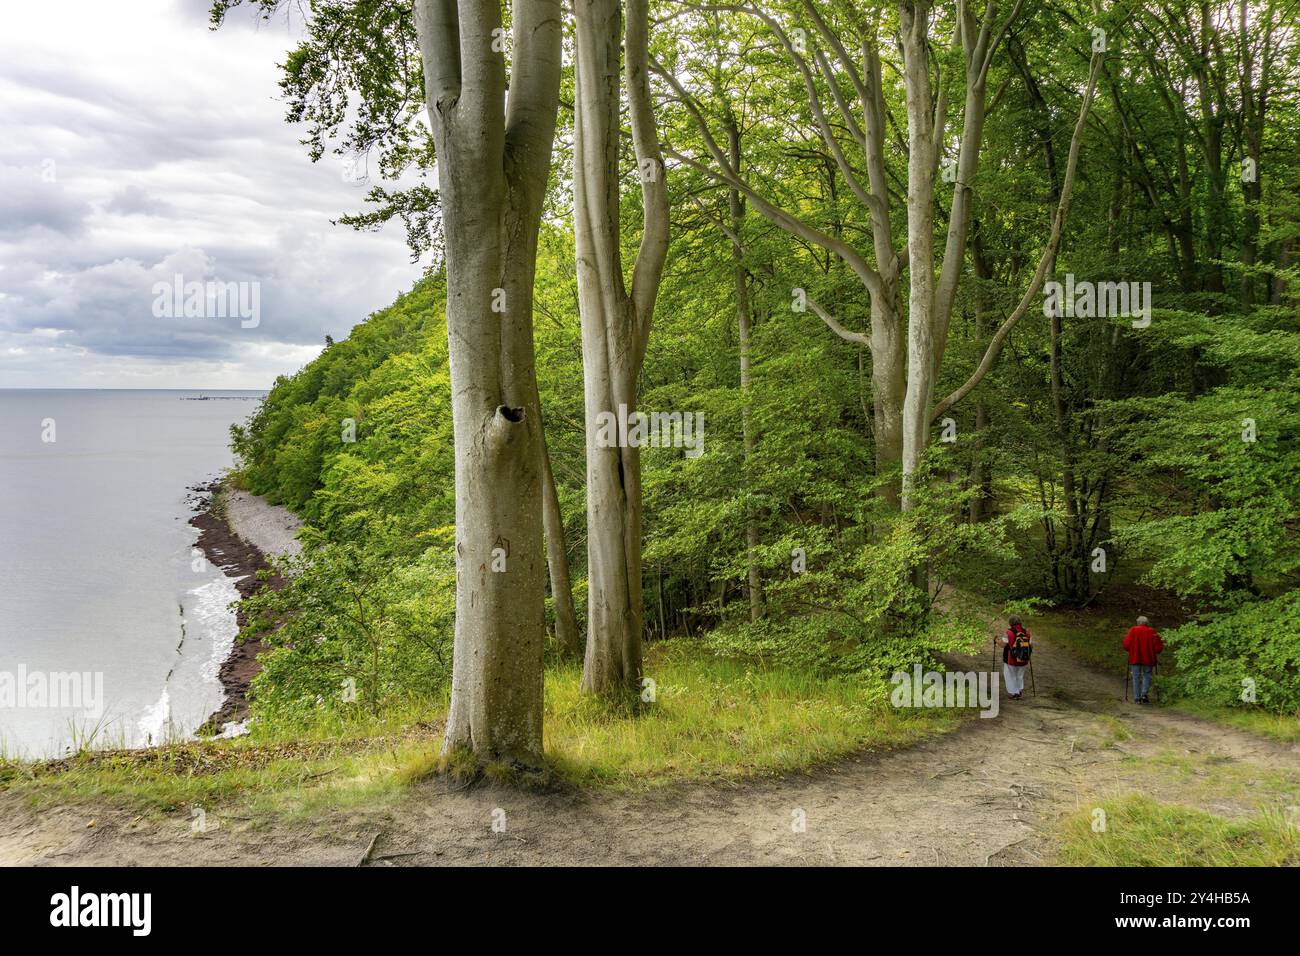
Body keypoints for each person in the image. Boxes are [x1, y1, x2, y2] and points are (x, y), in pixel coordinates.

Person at [1123, 615, 1164, 704]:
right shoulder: (1152, 631)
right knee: (1147, 675)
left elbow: (1126, 645)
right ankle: (1144, 694)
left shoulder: (1133, 630)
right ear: (1147, 623)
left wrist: (1130, 649)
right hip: (1148, 657)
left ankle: (1137, 698)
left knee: (1136, 677)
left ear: (1138, 622)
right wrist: (1155, 651)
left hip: (1135, 656)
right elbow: (1158, 647)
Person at [999, 615, 1032, 700]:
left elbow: (1003, 645)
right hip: (1023, 658)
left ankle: (1013, 693)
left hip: (1011, 658)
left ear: (1010, 623)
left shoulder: (1009, 632)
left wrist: (996, 641)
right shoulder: (1026, 632)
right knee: (1020, 675)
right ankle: (1019, 690)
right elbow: (1031, 645)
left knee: (1010, 675)